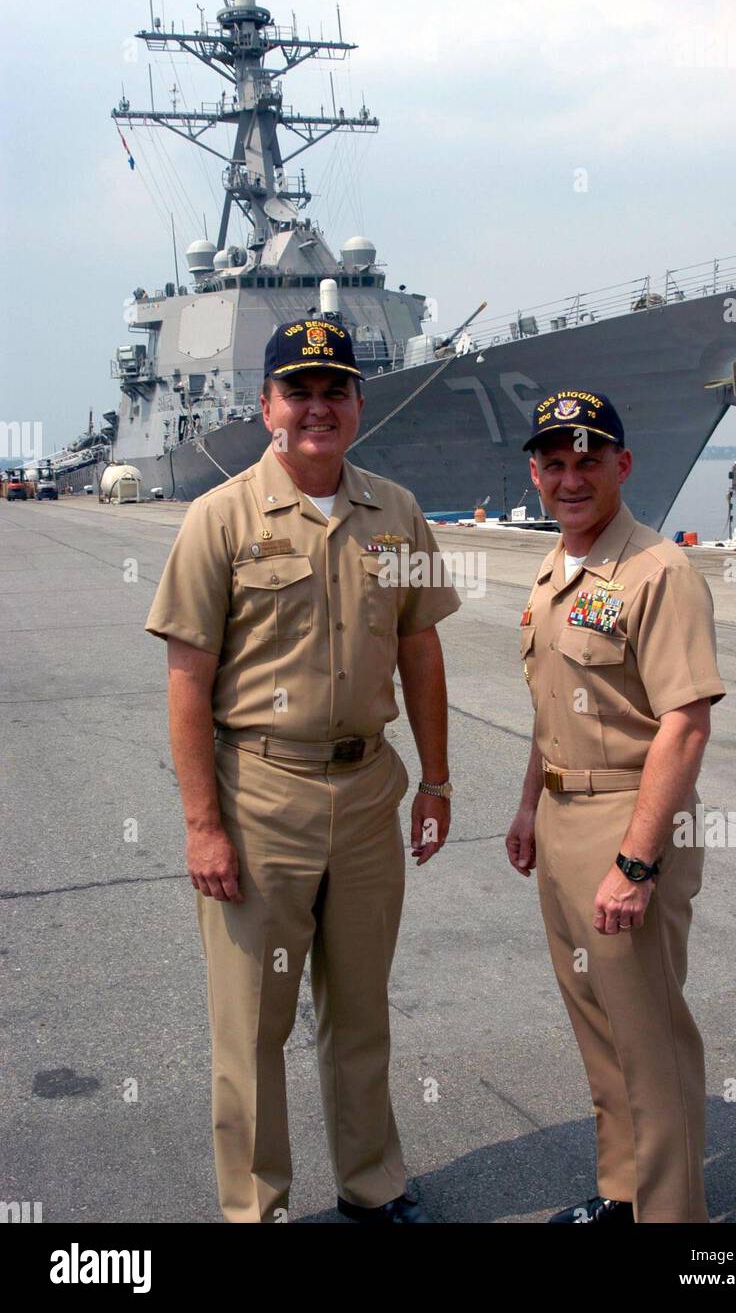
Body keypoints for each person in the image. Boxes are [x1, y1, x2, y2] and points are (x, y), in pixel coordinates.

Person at [145, 317, 460, 1223]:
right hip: (260, 798)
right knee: (252, 1027)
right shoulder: (220, 518)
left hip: (368, 795)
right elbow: (187, 678)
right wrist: (204, 824)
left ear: (359, 403)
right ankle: (256, 1207)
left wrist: (435, 781)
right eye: (299, 390)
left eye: (335, 390)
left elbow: (420, 650)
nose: (317, 407)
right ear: (266, 406)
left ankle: (373, 1186)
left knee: (361, 1012)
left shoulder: (395, 512)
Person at [505, 389, 725, 1224]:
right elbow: (554, 707)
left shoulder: (657, 570)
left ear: (622, 466)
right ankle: (623, 1194)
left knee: (651, 1040)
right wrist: (529, 806)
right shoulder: (556, 564)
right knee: (600, 1030)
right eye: (553, 462)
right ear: (534, 472)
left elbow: (686, 725)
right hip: (562, 820)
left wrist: (635, 865)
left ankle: (674, 1222)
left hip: (632, 821)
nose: (570, 478)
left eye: (588, 459)